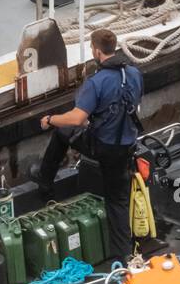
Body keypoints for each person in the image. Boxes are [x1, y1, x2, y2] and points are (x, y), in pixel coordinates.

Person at [38, 28, 143, 264]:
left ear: (96, 51)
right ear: (114, 47)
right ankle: (124, 255)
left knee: (63, 132)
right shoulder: (135, 74)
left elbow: (76, 119)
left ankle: (44, 182)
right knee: (118, 200)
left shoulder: (96, 82)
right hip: (127, 146)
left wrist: (51, 119)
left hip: (102, 146)